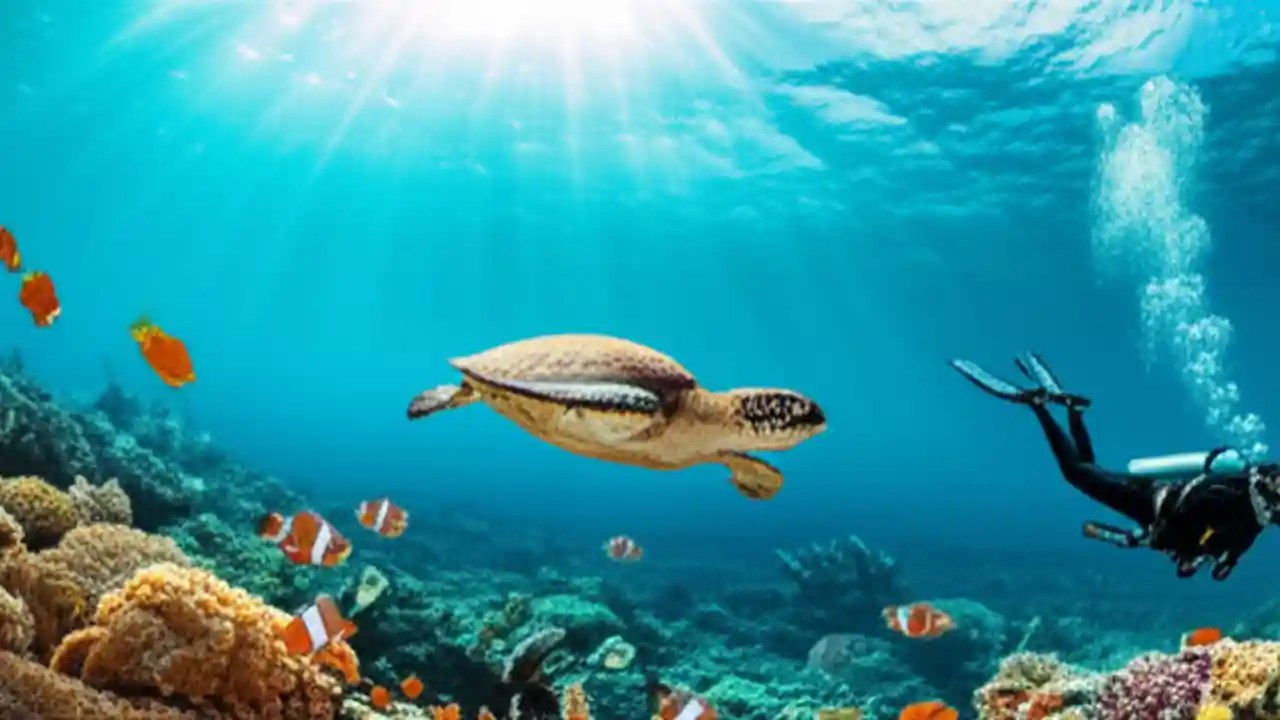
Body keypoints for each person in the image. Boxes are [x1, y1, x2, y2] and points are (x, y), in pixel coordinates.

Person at [951, 351, 1280, 581]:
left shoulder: (1252, 510)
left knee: (1090, 470)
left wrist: (1219, 561)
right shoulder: (1238, 506)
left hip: (1152, 495)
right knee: (1076, 473)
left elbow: (1231, 546)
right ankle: (1038, 406)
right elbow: (1187, 517)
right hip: (1145, 500)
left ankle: (1074, 410)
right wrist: (1158, 541)